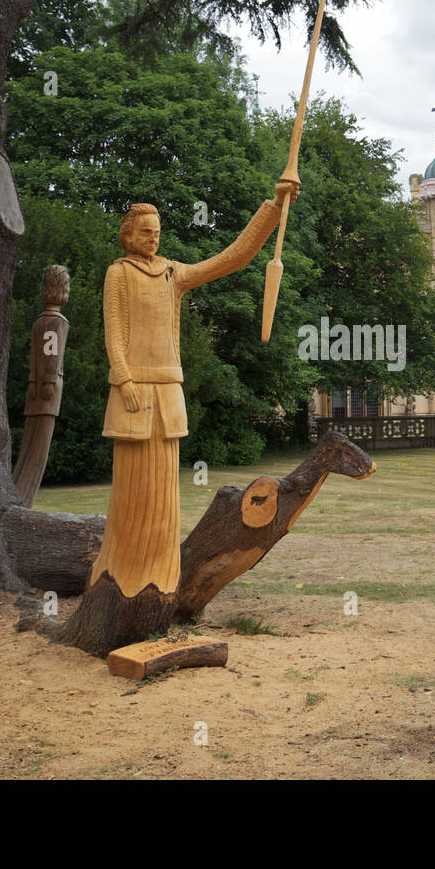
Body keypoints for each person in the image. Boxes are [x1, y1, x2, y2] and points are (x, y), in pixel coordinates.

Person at [89, 179, 299, 601]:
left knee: (165, 495)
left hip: (167, 391)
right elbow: (114, 332)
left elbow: (233, 258)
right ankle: (123, 573)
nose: (153, 238)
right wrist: (124, 378)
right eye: (145, 232)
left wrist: (275, 205)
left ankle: (160, 576)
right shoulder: (119, 273)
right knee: (133, 489)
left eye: (157, 232)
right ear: (128, 235)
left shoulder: (173, 273)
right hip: (133, 392)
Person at [12, 264, 70, 507]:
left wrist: (35, 381)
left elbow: (36, 357)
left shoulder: (39, 322)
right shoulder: (58, 323)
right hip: (48, 391)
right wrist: (47, 382)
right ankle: (23, 497)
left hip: (35, 389)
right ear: (62, 290)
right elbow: (52, 355)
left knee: (30, 442)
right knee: (38, 448)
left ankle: (19, 490)